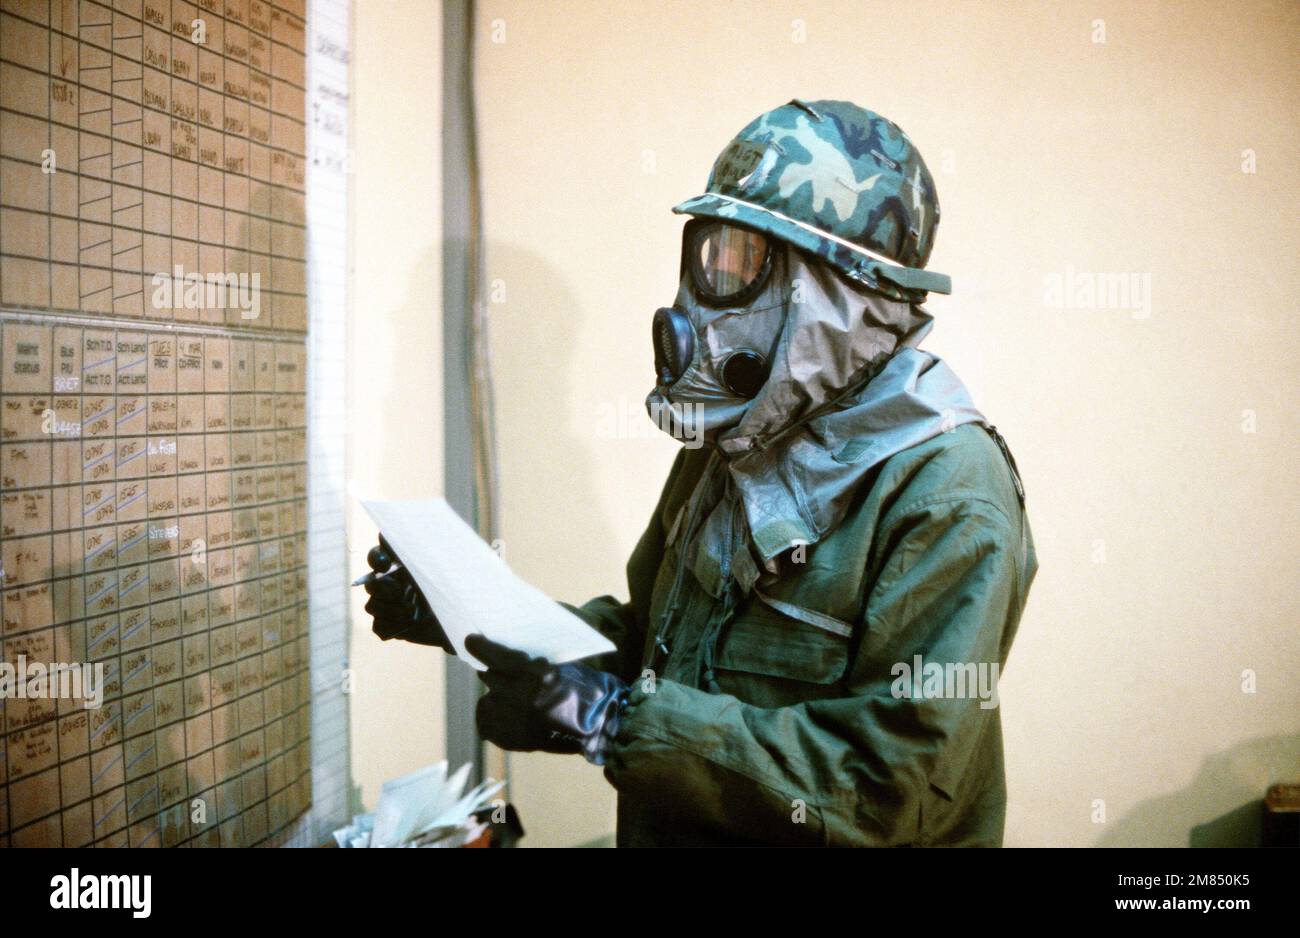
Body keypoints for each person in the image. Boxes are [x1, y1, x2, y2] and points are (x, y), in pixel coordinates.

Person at [364, 99, 1037, 847]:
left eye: (739, 264)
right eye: (707, 255)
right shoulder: (740, 441)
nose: (698, 298)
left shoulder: (945, 488)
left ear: (831, 300)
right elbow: (658, 643)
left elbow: (890, 785)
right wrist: (475, 620)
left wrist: (611, 720)